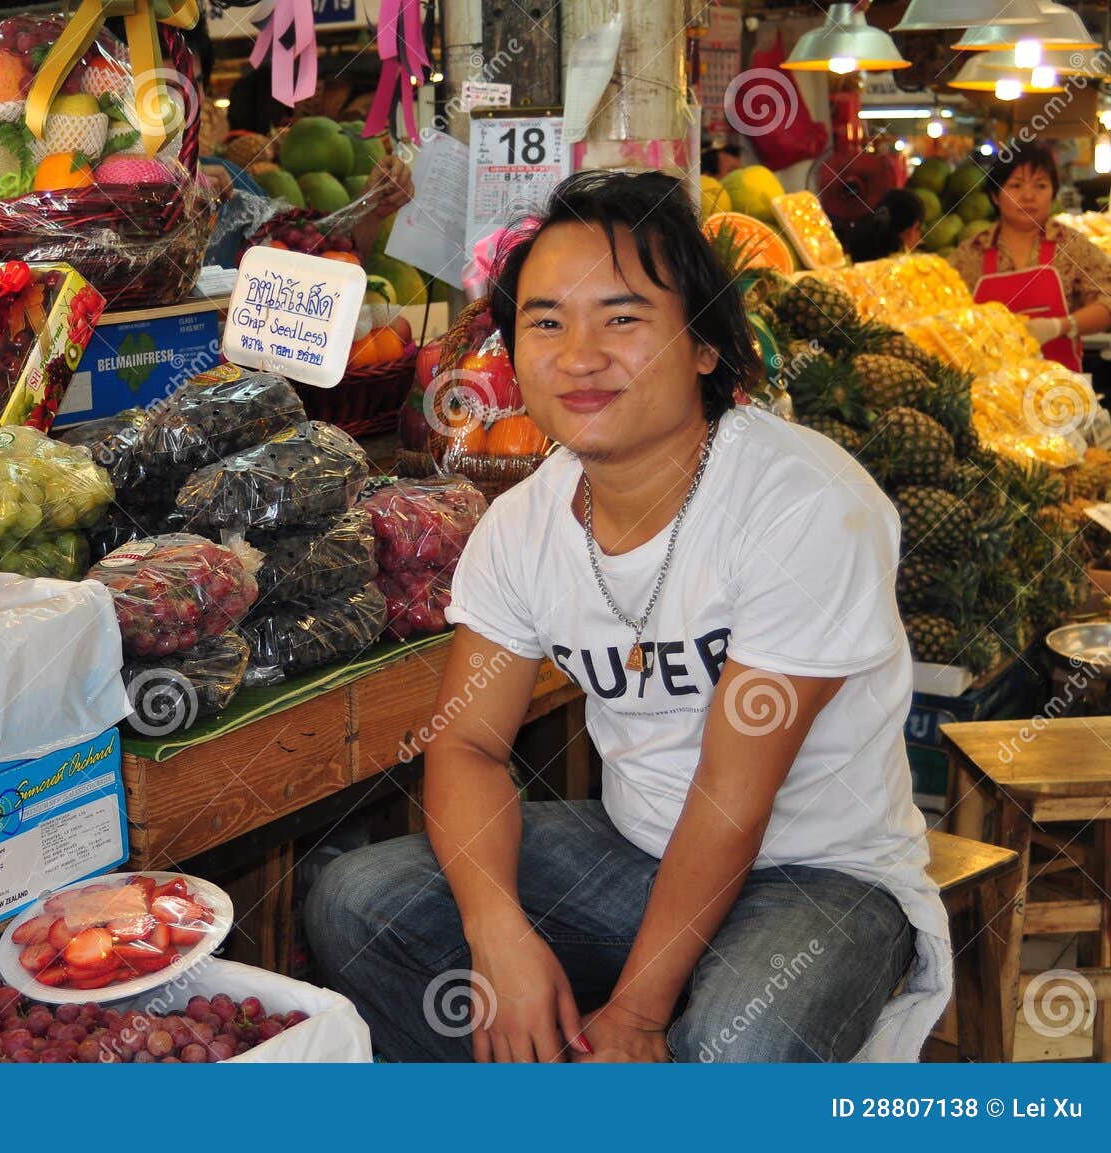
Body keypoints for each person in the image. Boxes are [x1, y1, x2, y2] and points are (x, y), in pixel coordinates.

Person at [306, 170, 948, 1063]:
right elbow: (467, 745)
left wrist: (642, 1009)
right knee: (357, 901)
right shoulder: (522, 525)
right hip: (632, 853)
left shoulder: (804, 504)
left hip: (820, 877)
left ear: (704, 346)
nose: (579, 355)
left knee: (737, 1039)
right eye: (545, 322)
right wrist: (499, 940)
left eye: (623, 317)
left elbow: (732, 794)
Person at [948, 142, 1111, 371]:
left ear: (1053, 193)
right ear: (995, 195)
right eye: (1015, 186)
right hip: (987, 396)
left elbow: (1107, 301)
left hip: (1060, 392)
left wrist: (1061, 326)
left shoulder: (1073, 247)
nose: (1028, 196)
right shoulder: (970, 253)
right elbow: (943, 318)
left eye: (1041, 186)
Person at [846, 187, 924, 262]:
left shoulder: (846, 257)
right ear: (913, 229)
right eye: (919, 230)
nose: (920, 241)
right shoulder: (906, 269)